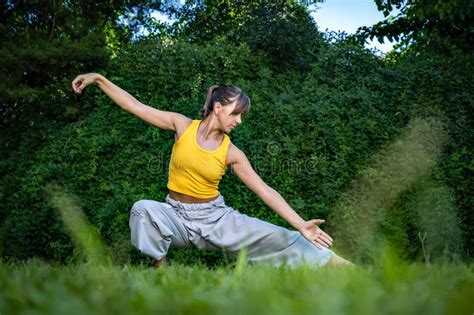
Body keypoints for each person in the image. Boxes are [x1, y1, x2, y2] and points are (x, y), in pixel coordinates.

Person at [72, 73, 353, 268]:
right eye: (236, 113)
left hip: (216, 219)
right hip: (175, 216)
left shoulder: (232, 153)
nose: (240, 120)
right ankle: (158, 267)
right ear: (218, 107)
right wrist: (99, 79)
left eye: (243, 115)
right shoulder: (181, 125)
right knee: (142, 209)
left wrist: (301, 224)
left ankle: (340, 265)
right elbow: (134, 105)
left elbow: (264, 190)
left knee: (284, 238)